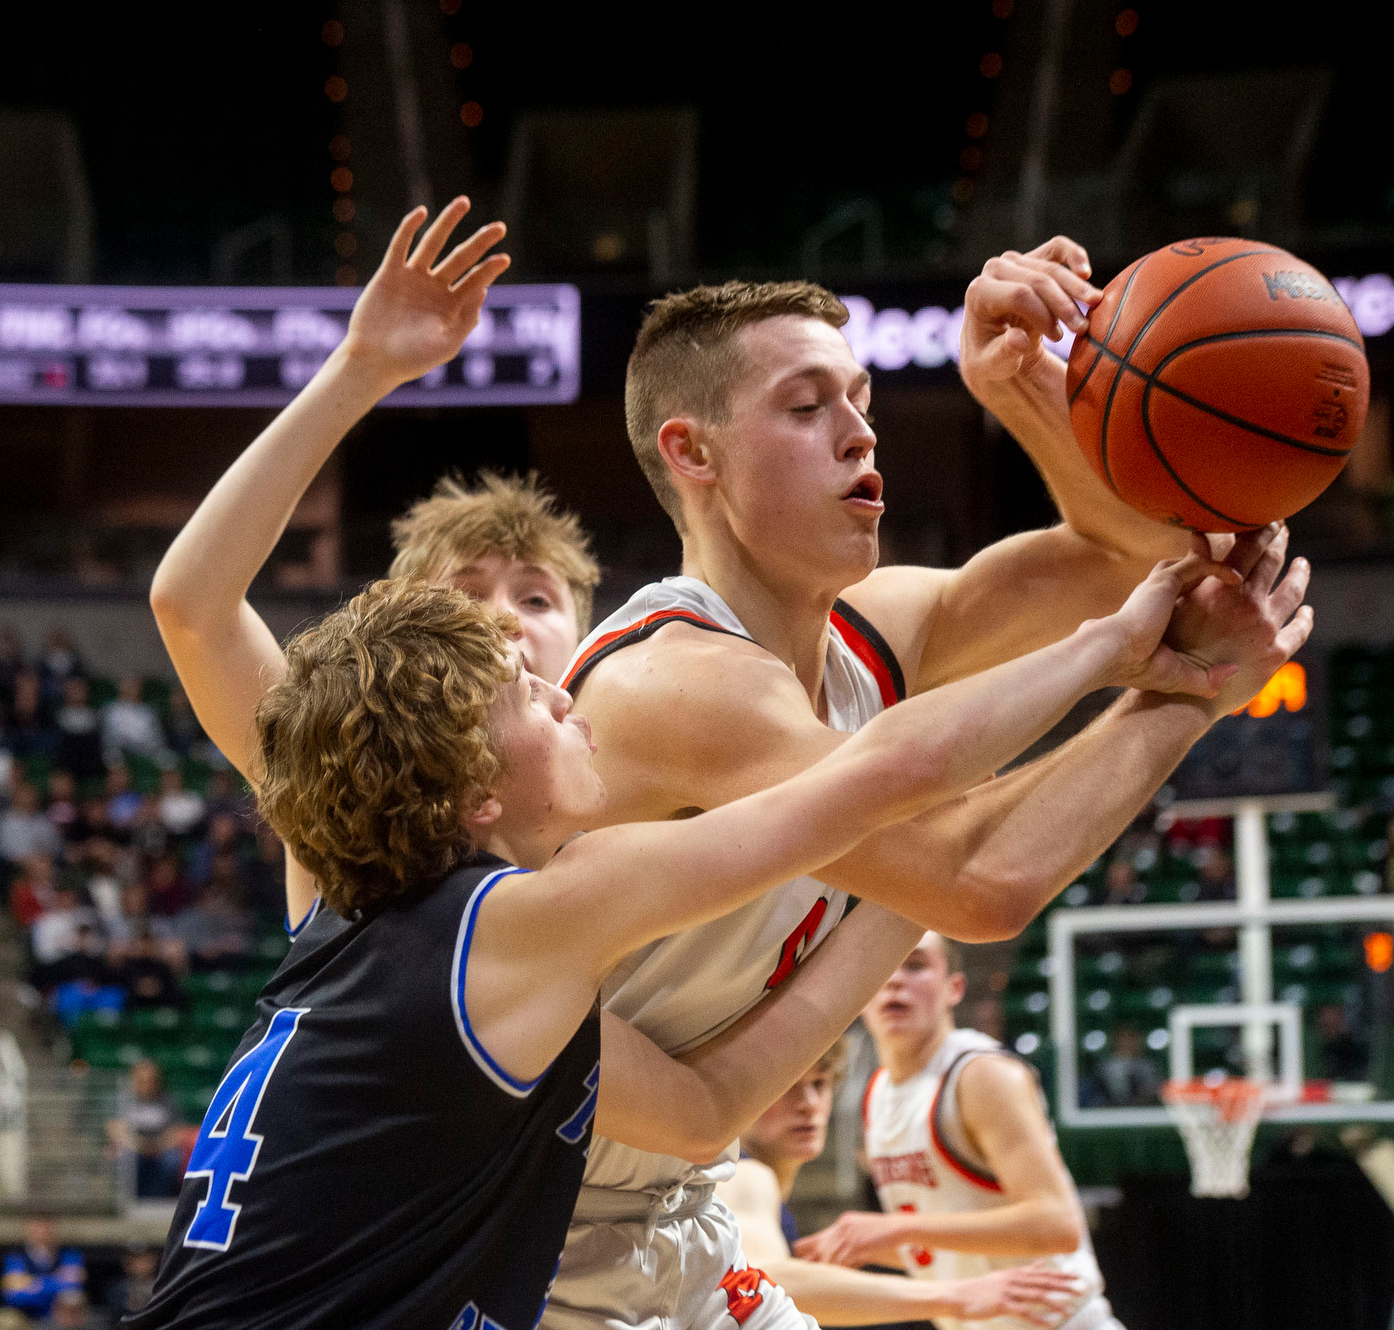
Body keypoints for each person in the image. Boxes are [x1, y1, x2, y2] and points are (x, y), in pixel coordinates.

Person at [134, 201, 1300, 1328]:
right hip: (542, 1246)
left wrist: (1026, 398)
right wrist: (1157, 684)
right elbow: (951, 853)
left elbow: (1132, 567)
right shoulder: (586, 783)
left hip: (665, 1212)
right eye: (806, 405)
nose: (533, 660)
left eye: (535, 608)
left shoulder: (517, 876)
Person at [129, 553, 1246, 1325]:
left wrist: (919, 893)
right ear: (473, 791)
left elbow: (716, 1098)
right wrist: (1110, 650)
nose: (560, 695)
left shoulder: (340, 909)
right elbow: (878, 778)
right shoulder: (522, 923)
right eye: (523, 693)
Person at [795, 934, 1122, 1330]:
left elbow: (1057, 1226)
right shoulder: (877, 1092)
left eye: (915, 965)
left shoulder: (982, 1075)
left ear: (954, 988)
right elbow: (949, 1250)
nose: (894, 979)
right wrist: (861, 1245)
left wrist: (894, 1229)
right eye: (882, 967)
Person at [718, 1046, 1082, 1326]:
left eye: (819, 1084)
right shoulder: (748, 1175)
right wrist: (956, 1295)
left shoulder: (757, 1183)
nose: (809, 1104)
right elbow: (761, 1280)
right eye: (787, 1088)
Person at [105, 1058, 185, 1199]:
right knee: (124, 1157)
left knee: (172, 1159)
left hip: (160, 1150)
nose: (147, 1085)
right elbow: (114, 1128)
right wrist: (139, 1145)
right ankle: (130, 1199)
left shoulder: (167, 1101)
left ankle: (158, 1199)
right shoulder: (123, 1100)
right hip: (133, 1148)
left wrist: (155, 1147)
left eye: (151, 1081)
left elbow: (176, 1132)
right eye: (142, 1081)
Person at [0, 1217, 87, 1329]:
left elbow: (73, 1287)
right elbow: (13, 1295)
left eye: (47, 1229)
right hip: (26, 1312)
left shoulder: (70, 1255)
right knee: (7, 1319)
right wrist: (56, 1280)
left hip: (59, 1312)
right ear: (28, 1232)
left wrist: (33, 1284)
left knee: (71, 1303)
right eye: (37, 1230)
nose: (42, 1234)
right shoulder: (15, 1257)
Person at [1094, 1027, 1161, 1108]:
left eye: (1131, 1037)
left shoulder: (1146, 1066)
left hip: (1141, 1110)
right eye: (1122, 1038)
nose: (1126, 1042)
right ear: (1115, 1041)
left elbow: (1152, 1091)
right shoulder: (1105, 1066)